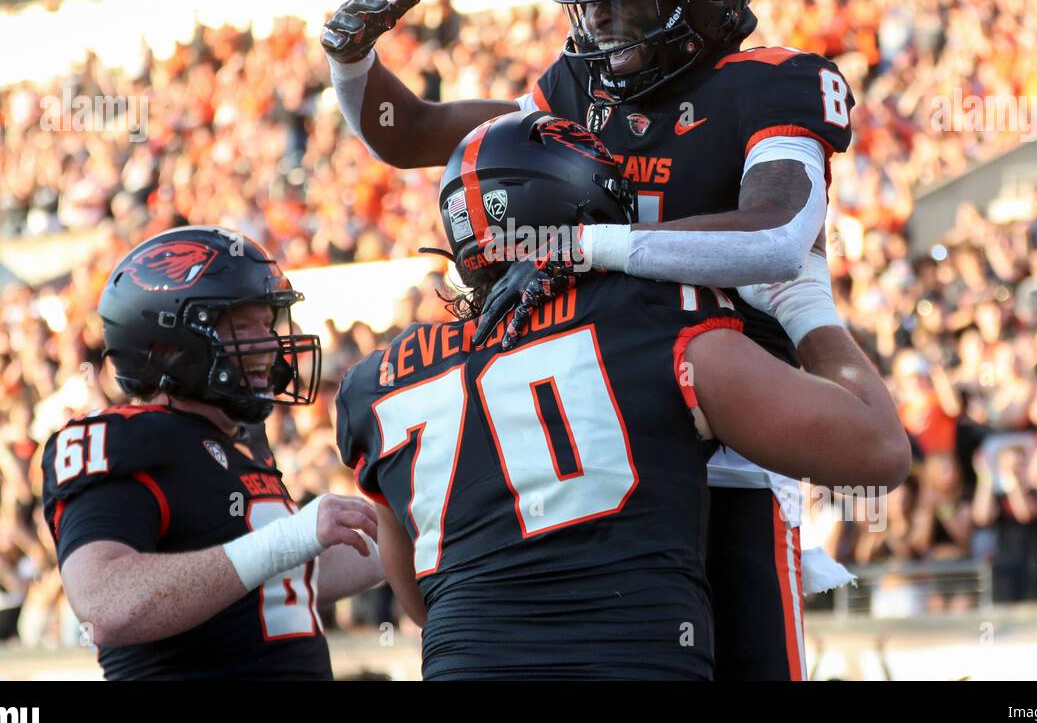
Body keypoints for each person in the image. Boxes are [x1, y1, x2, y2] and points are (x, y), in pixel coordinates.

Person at [323, 0, 858, 680]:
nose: (604, 30)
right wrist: (351, 67)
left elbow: (778, 232)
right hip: (606, 426)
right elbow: (419, 134)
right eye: (592, 6)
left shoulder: (775, 84)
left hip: (727, 425)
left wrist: (593, 248)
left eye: (629, 4)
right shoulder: (582, 88)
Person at [336, 112, 909, 680]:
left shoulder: (376, 383)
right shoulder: (656, 320)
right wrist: (805, 306)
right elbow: (878, 449)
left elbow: (418, 602)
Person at [42, 226, 384, 679]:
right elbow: (106, 604)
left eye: (268, 324)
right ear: (169, 345)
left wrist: (421, 529)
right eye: (243, 327)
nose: (268, 345)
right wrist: (291, 538)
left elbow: (285, 582)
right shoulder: (123, 439)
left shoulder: (239, 446)